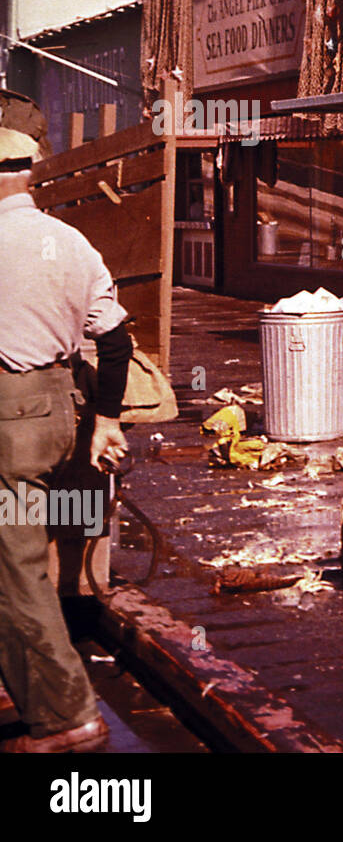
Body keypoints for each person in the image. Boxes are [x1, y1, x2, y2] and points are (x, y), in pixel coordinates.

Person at [0, 127, 131, 753]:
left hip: (9, 419)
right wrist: (106, 421)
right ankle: (20, 680)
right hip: (60, 410)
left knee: (14, 567)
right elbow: (116, 339)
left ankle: (66, 718)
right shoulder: (70, 240)